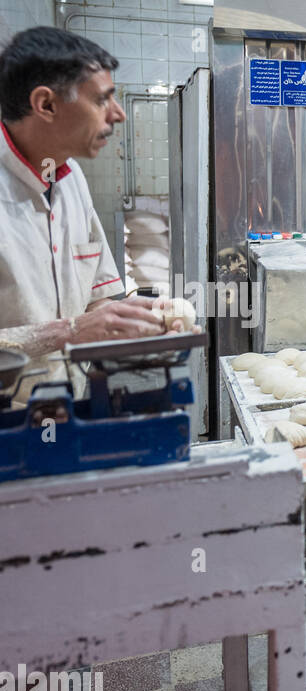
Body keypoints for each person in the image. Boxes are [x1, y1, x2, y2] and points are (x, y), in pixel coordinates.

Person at [0, 27, 190, 407]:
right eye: (102, 100)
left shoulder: (70, 180)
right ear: (46, 104)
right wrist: (67, 331)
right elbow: (77, 327)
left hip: (64, 408)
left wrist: (133, 320)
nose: (118, 114)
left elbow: (97, 301)